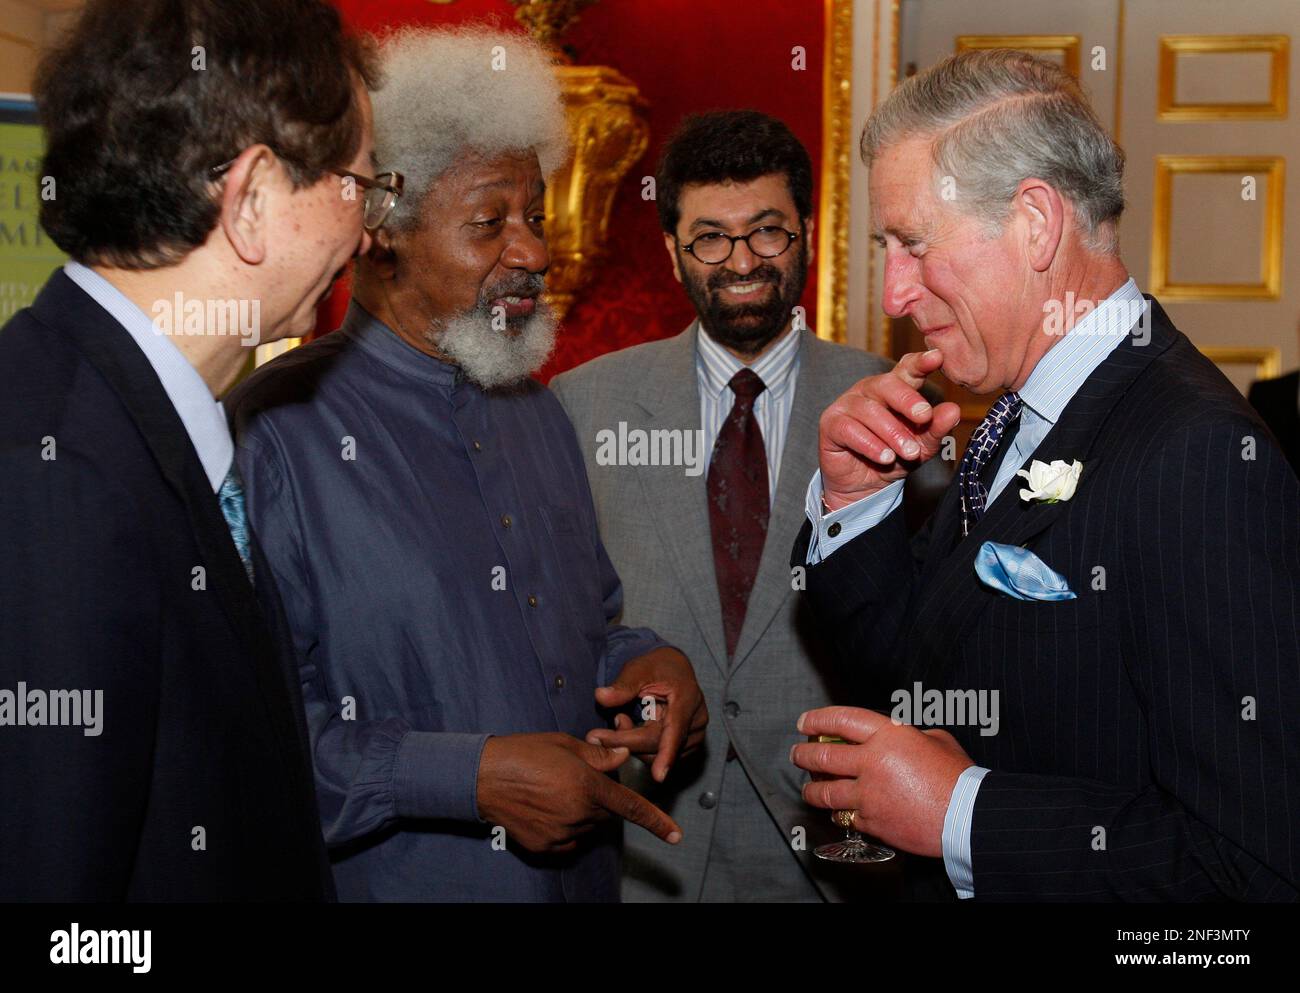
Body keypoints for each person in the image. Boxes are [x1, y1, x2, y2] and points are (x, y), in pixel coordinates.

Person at [790, 49, 1299, 901]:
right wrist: (854, 499)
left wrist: (962, 815)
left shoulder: (1198, 457)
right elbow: (919, 675)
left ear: (1035, 223)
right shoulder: (1023, 413)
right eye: (886, 248)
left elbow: (1252, 868)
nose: (893, 293)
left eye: (912, 244)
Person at [225, 26, 707, 903]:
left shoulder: (538, 412)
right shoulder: (271, 434)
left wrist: (646, 666)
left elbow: (582, 626)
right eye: (489, 222)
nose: (533, 250)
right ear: (380, 232)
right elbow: (238, 740)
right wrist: (467, 776)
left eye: (534, 213)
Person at [0, 0, 383, 899]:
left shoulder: (147, 415)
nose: (368, 232)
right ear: (250, 200)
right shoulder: (58, 475)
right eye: (360, 184)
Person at [552, 110, 943, 902]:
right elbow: (560, 622)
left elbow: (934, 637)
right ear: (672, 252)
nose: (740, 261)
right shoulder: (583, 405)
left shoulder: (896, 406)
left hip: (836, 850)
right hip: (640, 848)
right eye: (709, 238)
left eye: (767, 231)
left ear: (805, 230)